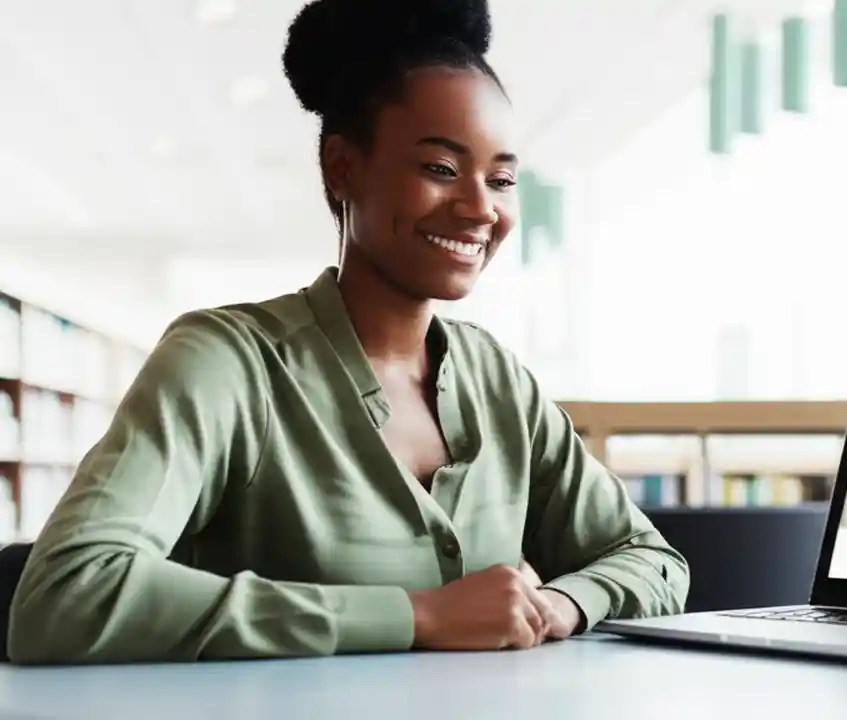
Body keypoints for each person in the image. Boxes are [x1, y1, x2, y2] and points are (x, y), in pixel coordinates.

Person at [7, 0, 688, 664]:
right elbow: (65, 595)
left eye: (502, 178)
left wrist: (560, 605)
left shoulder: (499, 381)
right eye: (441, 169)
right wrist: (417, 616)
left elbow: (653, 562)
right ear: (343, 167)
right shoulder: (227, 364)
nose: (481, 208)